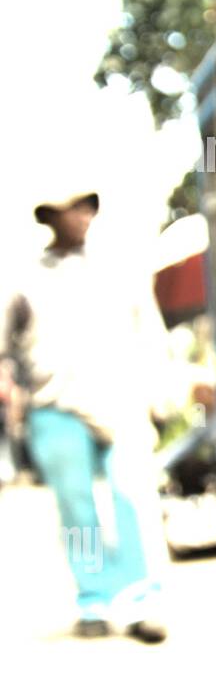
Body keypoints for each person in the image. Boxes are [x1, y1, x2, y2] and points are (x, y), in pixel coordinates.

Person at [0, 183, 171, 642]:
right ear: (49, 218)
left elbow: (150, 333)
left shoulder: (121, 268)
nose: (78, 217)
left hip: (120, 400)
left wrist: (160, 391)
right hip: (55, 407)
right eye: (67, 210)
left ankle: (142, 603)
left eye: (84, 208)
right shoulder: (24, 276)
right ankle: (93, 600)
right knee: (78, 511)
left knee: (132, 498)